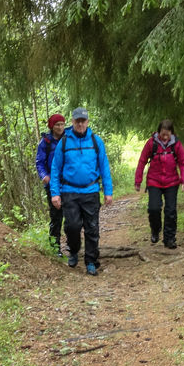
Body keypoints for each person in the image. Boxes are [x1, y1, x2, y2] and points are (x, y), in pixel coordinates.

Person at [50, 107, 114, 276]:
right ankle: (74, 250)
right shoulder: (64, 142)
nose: (80, 124)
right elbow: (55, 169)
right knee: (72, 226)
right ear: (72, 122)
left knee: (92, 228)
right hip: (69, 191)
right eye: (77, 121)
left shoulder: (96, 141)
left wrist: (108, 191)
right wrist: (55, 193)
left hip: (91, 190)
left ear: (87, 122)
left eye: (83, 121)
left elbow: (104, 167)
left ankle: (91, 261)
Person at [134, 118, 184, 249]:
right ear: (159, 132)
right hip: (154, 181)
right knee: (154, 208)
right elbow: (142, 161)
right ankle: (155, 229)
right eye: (162, 134)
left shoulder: (176, 144)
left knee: (170, 211)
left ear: (171, 133)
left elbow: (183, 162)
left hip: (172, 182)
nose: (164, 137)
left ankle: (169, 239)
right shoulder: (151, 143)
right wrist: (138, 180)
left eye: (167, 134)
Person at [34, 113, 66, 255]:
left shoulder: (68, 139)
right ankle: (55, 248)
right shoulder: (45, 143)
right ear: (52, 126)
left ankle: (72, 244)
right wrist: (44, 176)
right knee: (56, 216)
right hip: (52, 185)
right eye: (57, 125)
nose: (60, 127)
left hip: (69, 183)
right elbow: (39, 162)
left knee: (72, 215)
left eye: (62, 124)